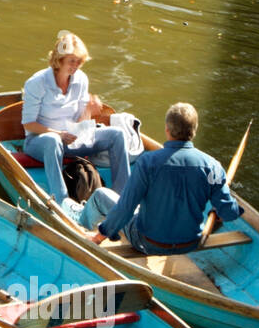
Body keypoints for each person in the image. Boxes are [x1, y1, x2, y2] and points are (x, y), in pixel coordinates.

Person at [87, 102, 243, 253]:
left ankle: (82, 224)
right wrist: (225, 211)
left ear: (167, 129)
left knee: (102, 195)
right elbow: (229, 212)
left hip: (147, 243)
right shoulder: (213, 166)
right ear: (194, 130)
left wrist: (100, 236)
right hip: (190, 243)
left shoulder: (147, 163)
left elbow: (125, 207)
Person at [21, 31, 131, 217]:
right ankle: (63, 202)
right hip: (40, 141)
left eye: (79, 61)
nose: (76, 66)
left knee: (117, 135)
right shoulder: (37, 82)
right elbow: (29, 125)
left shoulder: (81, 79)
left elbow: (80, 123)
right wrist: (58, 133)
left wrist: (89, 110)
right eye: (72, 60)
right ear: (59, 58)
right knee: (52, 140)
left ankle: (122, 198)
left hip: (71, 138)